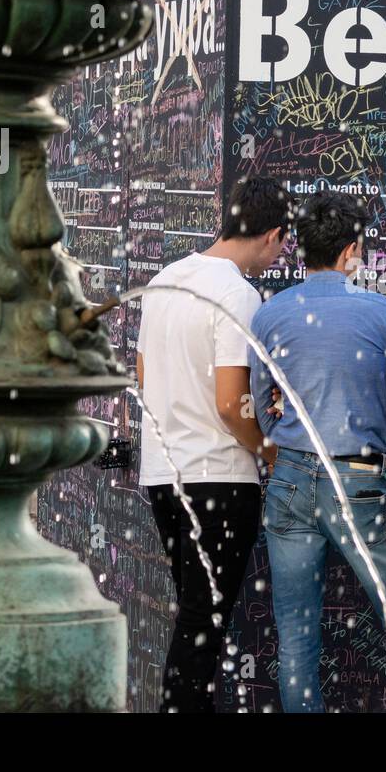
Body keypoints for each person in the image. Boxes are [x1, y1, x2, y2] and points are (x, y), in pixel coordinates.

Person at [249, 189, 386, 713]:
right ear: (352, 251)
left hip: (291, 477)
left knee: (296, 637)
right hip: (358, 480)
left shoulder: (271, 313)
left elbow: (258, 404)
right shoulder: (384, 313)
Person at [137, 175, 291, 713]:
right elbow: (231, 402)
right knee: (204, 621)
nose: (278, 257)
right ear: (271, 235)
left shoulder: (166, 280)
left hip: (164, 473)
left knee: (194, 613)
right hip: (220, 477)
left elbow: (144, 373)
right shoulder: (237, 295)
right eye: (281, 245)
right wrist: (266, 448)